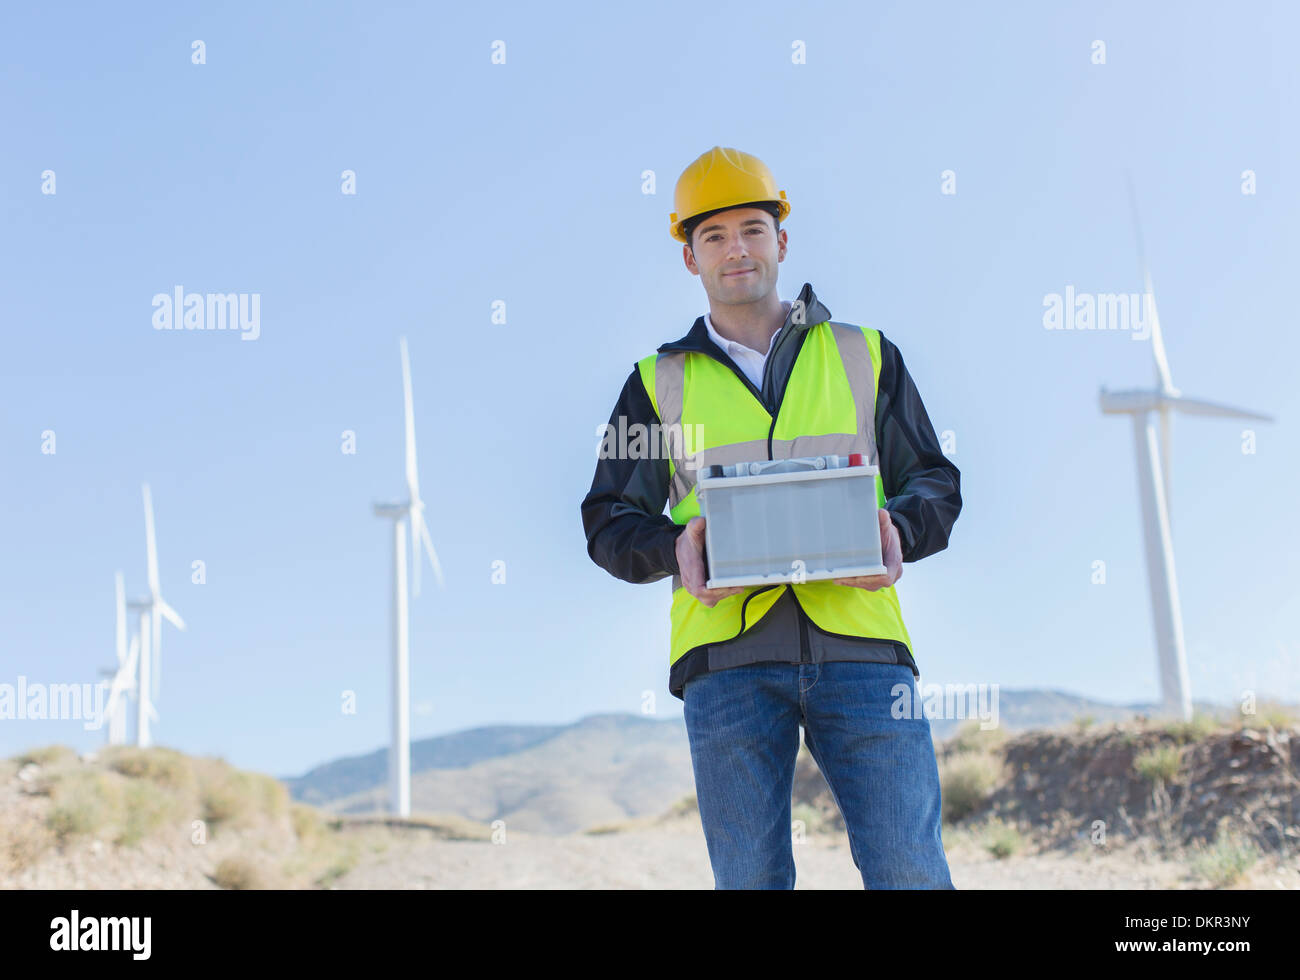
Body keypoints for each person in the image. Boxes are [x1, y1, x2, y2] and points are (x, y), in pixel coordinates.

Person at [580, 146, 962, 889]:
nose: (736, 250)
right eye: (714, 236)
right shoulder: (656, 385)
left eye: (752, 230)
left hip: (863, 649)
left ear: (782, 242)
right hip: (726, 663)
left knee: (910, 869)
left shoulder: (865, 354)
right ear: (689, 257)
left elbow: (934, 484)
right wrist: (674, 549)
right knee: (749, 879)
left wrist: (898, 529)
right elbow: (607, 519)